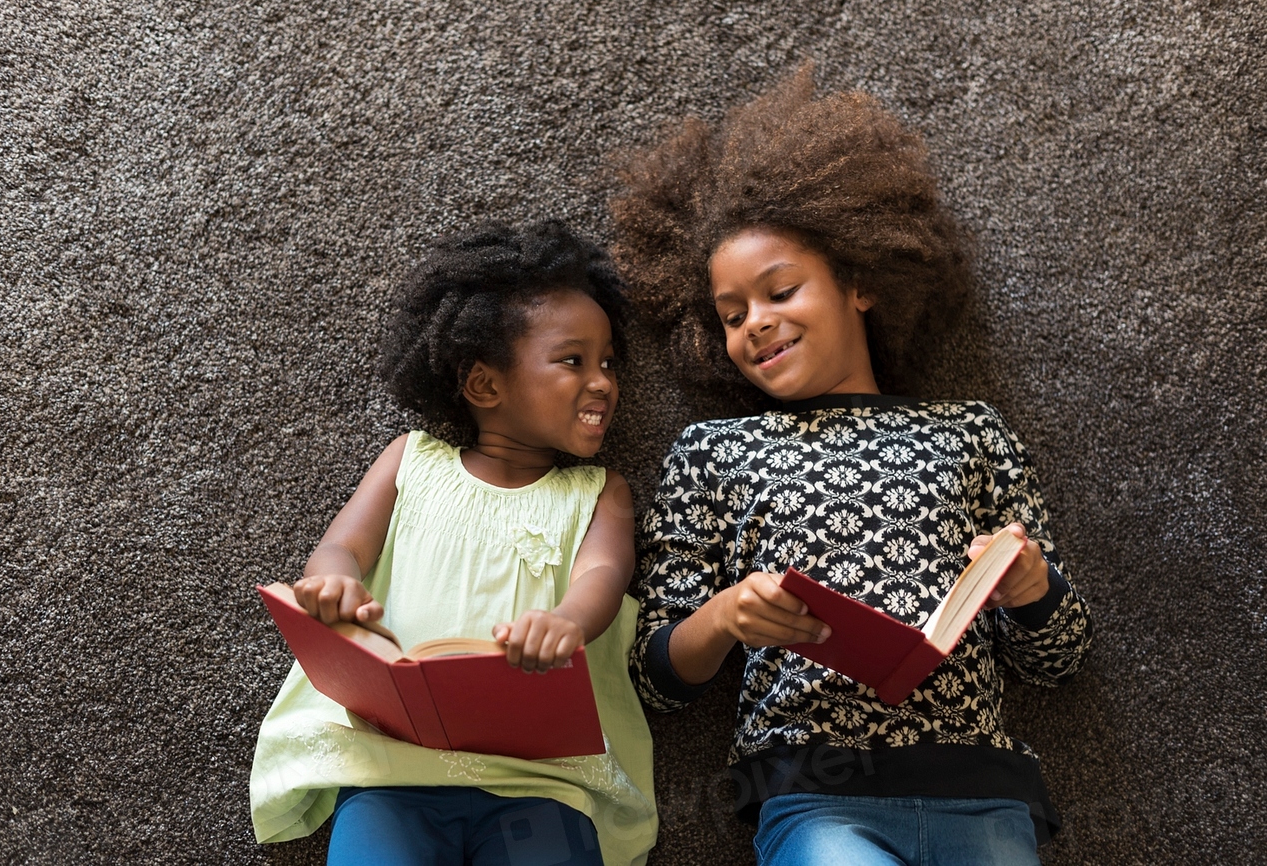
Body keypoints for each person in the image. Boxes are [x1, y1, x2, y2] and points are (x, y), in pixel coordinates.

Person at [610, 67, 1093, 865]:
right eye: (732, 316)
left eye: (780, 292)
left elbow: (1061, 658)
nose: (755, 325)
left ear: (860, 283)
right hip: (812, 795)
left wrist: (1031, 588)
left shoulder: (970, 429)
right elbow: (657, 677)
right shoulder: (711, 452)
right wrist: (728, 614)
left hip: (984, 792)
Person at [249, 220, 657, 866]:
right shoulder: (411, 461)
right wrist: (334, 582)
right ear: (484, 385)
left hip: (542, 784)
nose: (604, 381)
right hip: (394, 774)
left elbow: (603, 573)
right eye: (573, 361)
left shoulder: (600, 491)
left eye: (609, 362)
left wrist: (565, 621)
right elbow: (340, 548)